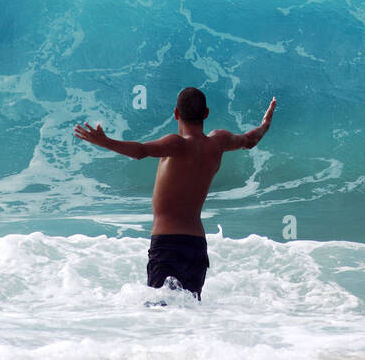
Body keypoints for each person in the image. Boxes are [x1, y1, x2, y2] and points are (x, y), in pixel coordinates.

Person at [74, 88, 276, 301]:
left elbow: (141, 151)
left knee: (161, 318)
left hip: (167, 246)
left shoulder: (177, 144)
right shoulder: (219, 142)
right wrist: (265, 124)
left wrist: (105, 142)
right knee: (188, 316)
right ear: (206, 113)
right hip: (196, 246)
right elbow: (250, 139)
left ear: (176, 114)